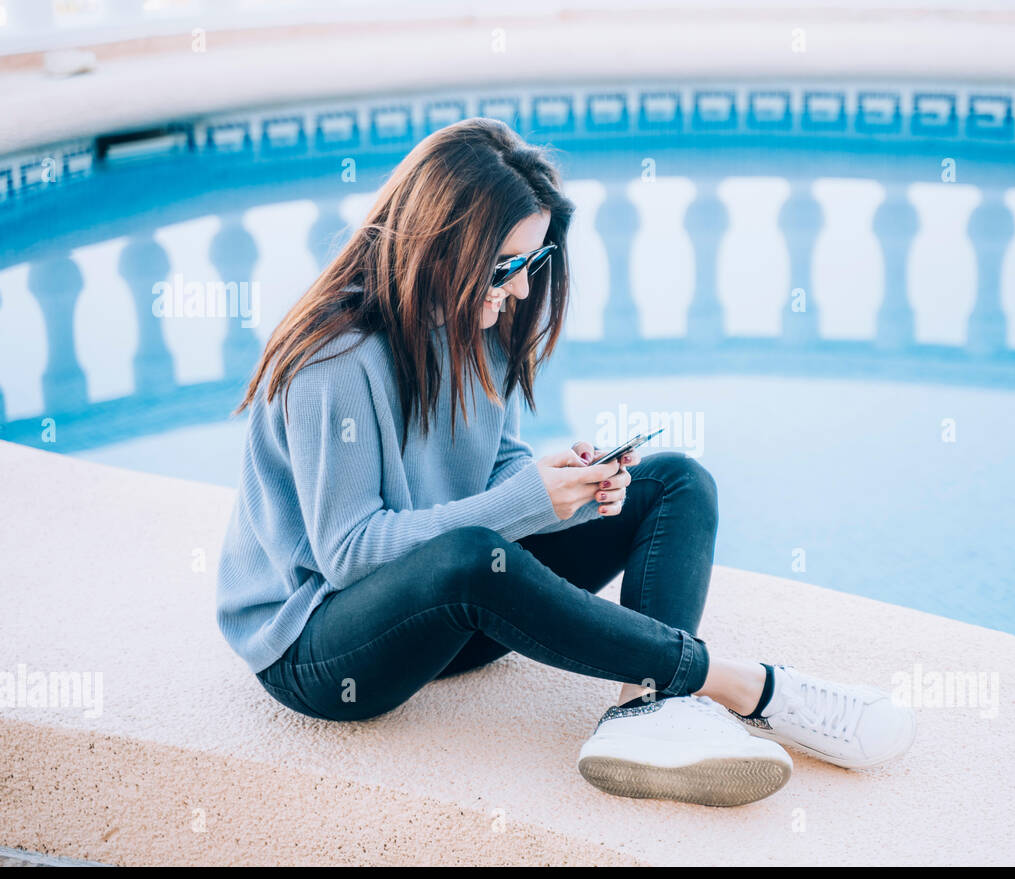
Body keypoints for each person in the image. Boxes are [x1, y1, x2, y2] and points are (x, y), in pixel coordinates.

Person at [215, 117, 915, 808]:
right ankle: (745, 686)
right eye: (505, 267)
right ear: (439, 247)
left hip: (454, 619)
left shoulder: (477, 325)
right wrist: (524, 502)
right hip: (325, 650)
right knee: (472, 558)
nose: (522, 289)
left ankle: (647, 712)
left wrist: (565, 486)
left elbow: (493, 467)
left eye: (533, 263)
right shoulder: (332, 363)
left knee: (675, 482)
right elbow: (349, 553)